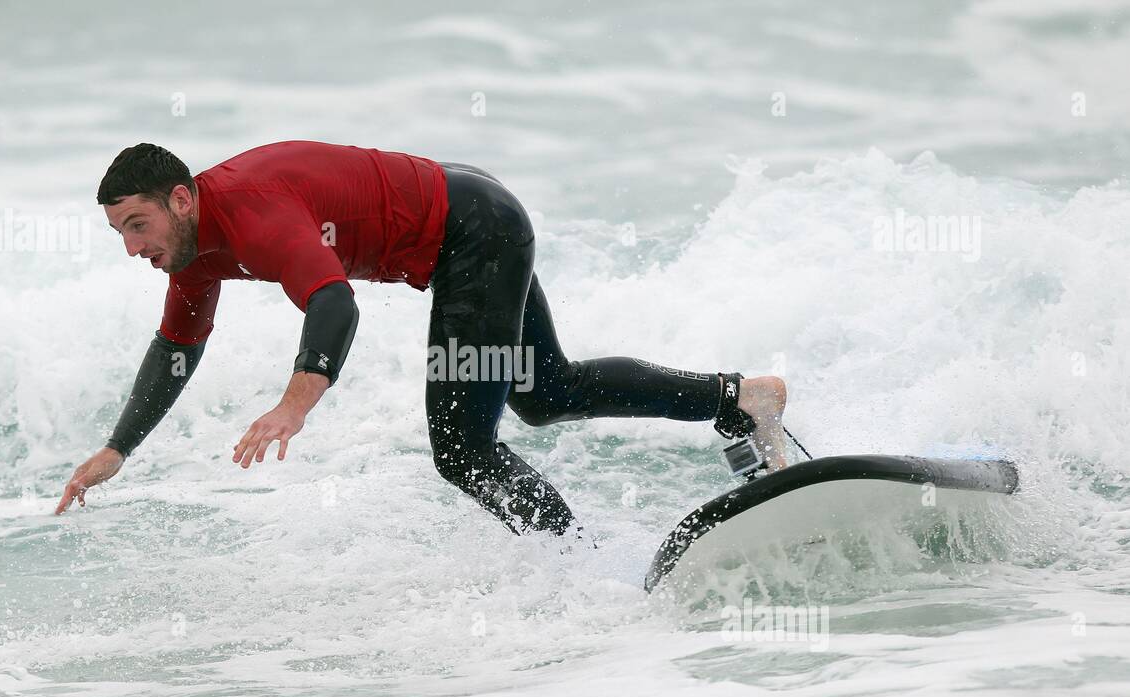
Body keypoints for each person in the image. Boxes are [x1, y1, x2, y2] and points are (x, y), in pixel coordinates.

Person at [55, 141, 789, 540]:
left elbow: (334, 305)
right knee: (547, 393)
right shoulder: (190, 256)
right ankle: (740, 400)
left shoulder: (249, 213)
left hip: (475, 232)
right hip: (472, 219)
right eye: (120, 232)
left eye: (138, 226)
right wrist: (118, 450)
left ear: (180, 200)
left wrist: (294, 406)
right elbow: (176, 349)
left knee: (463, 447)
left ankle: (579, 567)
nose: (131, 247)